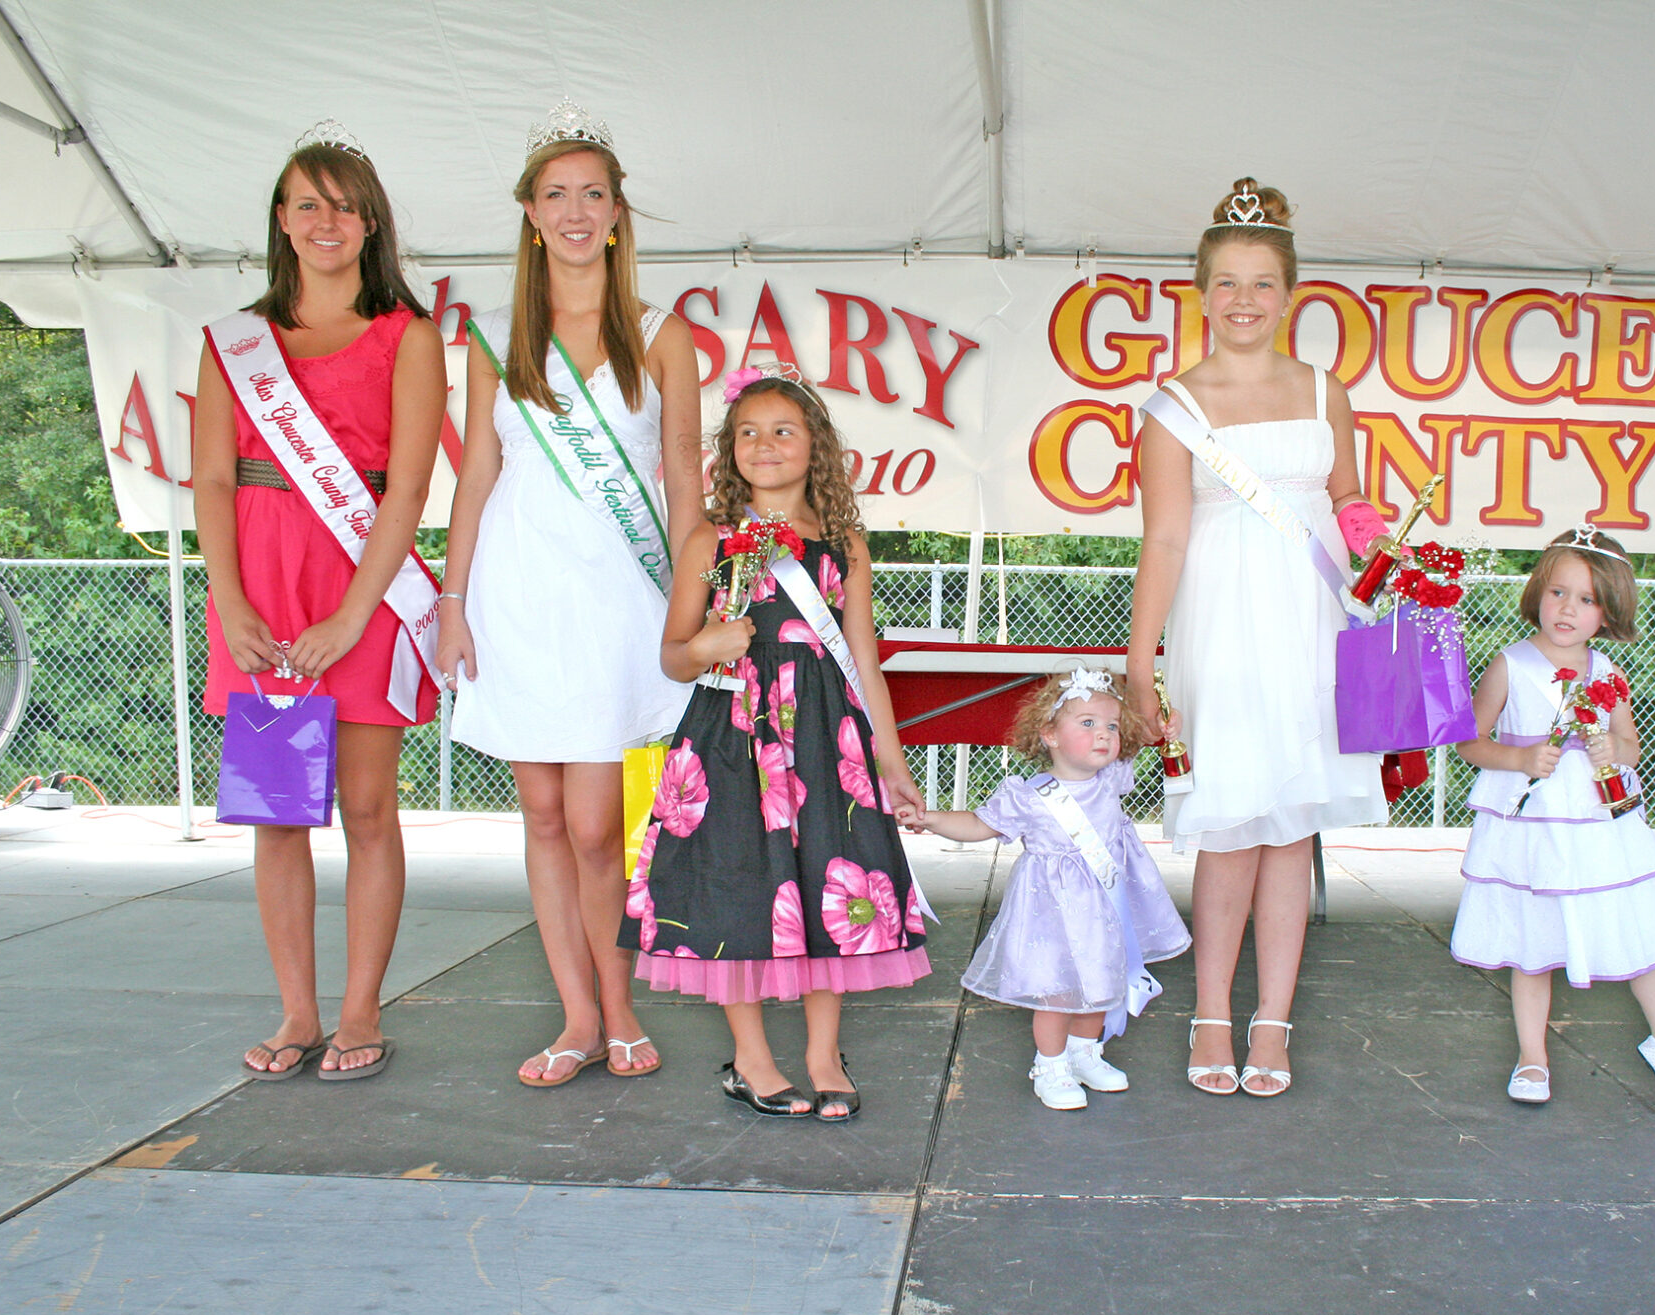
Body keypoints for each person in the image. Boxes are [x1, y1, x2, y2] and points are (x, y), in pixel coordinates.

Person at [438, 101, 702, 1087]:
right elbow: (476, 473)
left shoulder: (661, 335)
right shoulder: (495, 338)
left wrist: (695, 599)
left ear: (618, 213)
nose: (576, 211)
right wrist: (453, 600)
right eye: (557, 195)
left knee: (596, 823)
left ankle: (621, 1005)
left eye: (593, 194)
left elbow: (685, 480)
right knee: (543, 817)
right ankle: (579, 1017)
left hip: (614, 601)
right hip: (516, 592)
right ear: (531, 213)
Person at [1124, 177, 1390, 1097]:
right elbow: (1164, 538)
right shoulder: (1172, 406)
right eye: (1228, 282)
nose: (1245, 298)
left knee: (1292, 827)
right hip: (1224, 623)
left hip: (1313, 620)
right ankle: (1210, 1013)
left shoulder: (1326, 390)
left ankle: (1272, 1019)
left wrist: (1380, 543)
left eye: (1263, 282)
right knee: (1233, 823)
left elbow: (1347, 498)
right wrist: (1141, 665)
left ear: (1290, 294)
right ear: (1201, 293)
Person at [193, 122, 444, 1081]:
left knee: (369, 808)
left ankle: (359, 1008)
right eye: (308, 203)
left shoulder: (408, 337)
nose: (326, 220)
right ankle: (297, 1012)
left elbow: (409, 488)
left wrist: (350, 617)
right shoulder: (236, 344)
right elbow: (213, 480)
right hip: (259, 591)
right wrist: (230, 601)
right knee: (279, 811)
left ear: (371, 221)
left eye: (345, 205)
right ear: (282, 219)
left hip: (362, 590)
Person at [621, 365, 928, 1122]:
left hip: (826, 739)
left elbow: (864, 662)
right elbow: (673, 655)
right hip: (732, 738)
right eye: (748, 433)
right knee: (739, 885)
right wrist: (706, 645)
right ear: (730, 451)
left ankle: (824, 1054)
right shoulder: (710, 539)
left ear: (815, 444)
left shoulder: (846, 545)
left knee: (830, 880)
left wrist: (890, 762)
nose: (764, 445)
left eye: (783, 431)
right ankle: (752, 1057)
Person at [1450, 527, 1655, 1108]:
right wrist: (1518, 758)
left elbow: (1630, 744)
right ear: (1537, 592)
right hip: (1535, 825)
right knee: (1532, 940)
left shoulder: (1606, 670)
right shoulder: (1511, 664)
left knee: (1635, 922)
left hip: (1597, 820)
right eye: (1558, 592)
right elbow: (1469, 740)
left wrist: (1614, 749)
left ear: (1607, 612)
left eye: (1587, 599)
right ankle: (1532, 1057)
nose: (1568, 609)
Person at [899, 671, 1191, 1110]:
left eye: (1112, 726)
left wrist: (1167, 723)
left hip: (1104, 910)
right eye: (1087, 723)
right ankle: (1050, 1066)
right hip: (1052, 915)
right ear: (1050, 734)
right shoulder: (1028, 797)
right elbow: (978, 824)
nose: (1103, 734)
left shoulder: (1111, 779)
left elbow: (1152, 731)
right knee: (1058, 993)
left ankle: (1084, 1053)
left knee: (1103, 981)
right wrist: (930, 819)